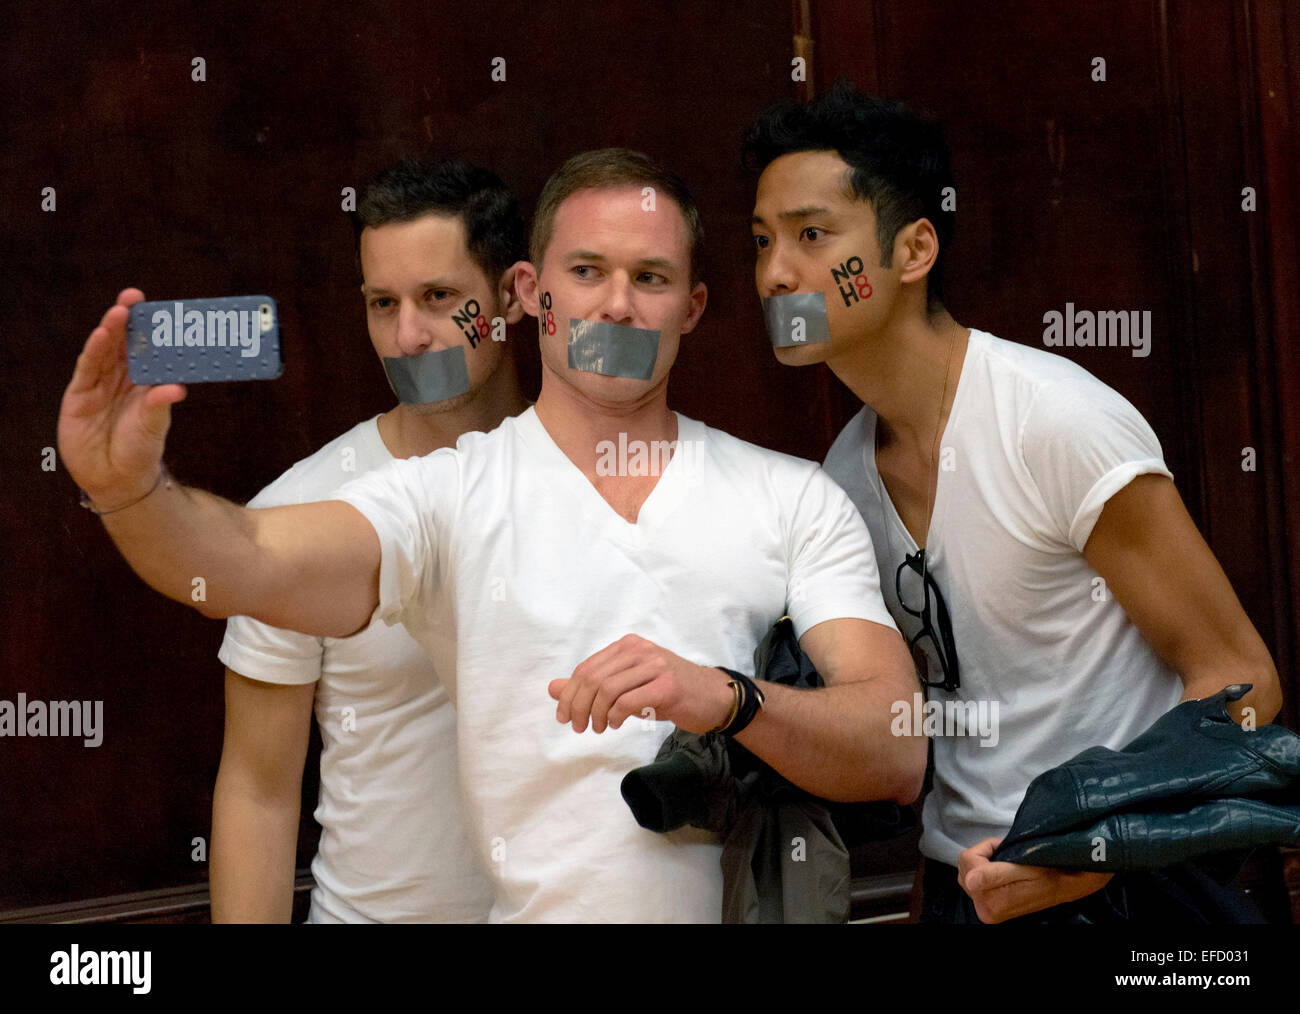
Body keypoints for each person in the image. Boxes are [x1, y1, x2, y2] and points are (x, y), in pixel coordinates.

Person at [58, 148, 926, 923]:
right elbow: (242, 560)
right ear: (530, 293)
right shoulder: (445, 495)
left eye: (651, 279)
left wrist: (727, 699)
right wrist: (131, 491)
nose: (617, 305)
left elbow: (895, 745)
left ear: (693, 306)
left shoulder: (789, 494)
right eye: (586, 271)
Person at [744, 83, 1282, 923]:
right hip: (971, 889)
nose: (776, 274)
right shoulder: (844, 474)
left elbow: (1241, 681)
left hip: (1135, 892)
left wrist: (1093, 849)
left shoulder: (1052, 421)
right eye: (762, 240)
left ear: (914, 249)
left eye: (812, 235)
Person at [210, 158, 530, 923]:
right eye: (382, 303)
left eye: (439, 298)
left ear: (512, 299)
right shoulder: (301, 511)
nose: (408, 335)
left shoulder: (586, 478)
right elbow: (258, 788)